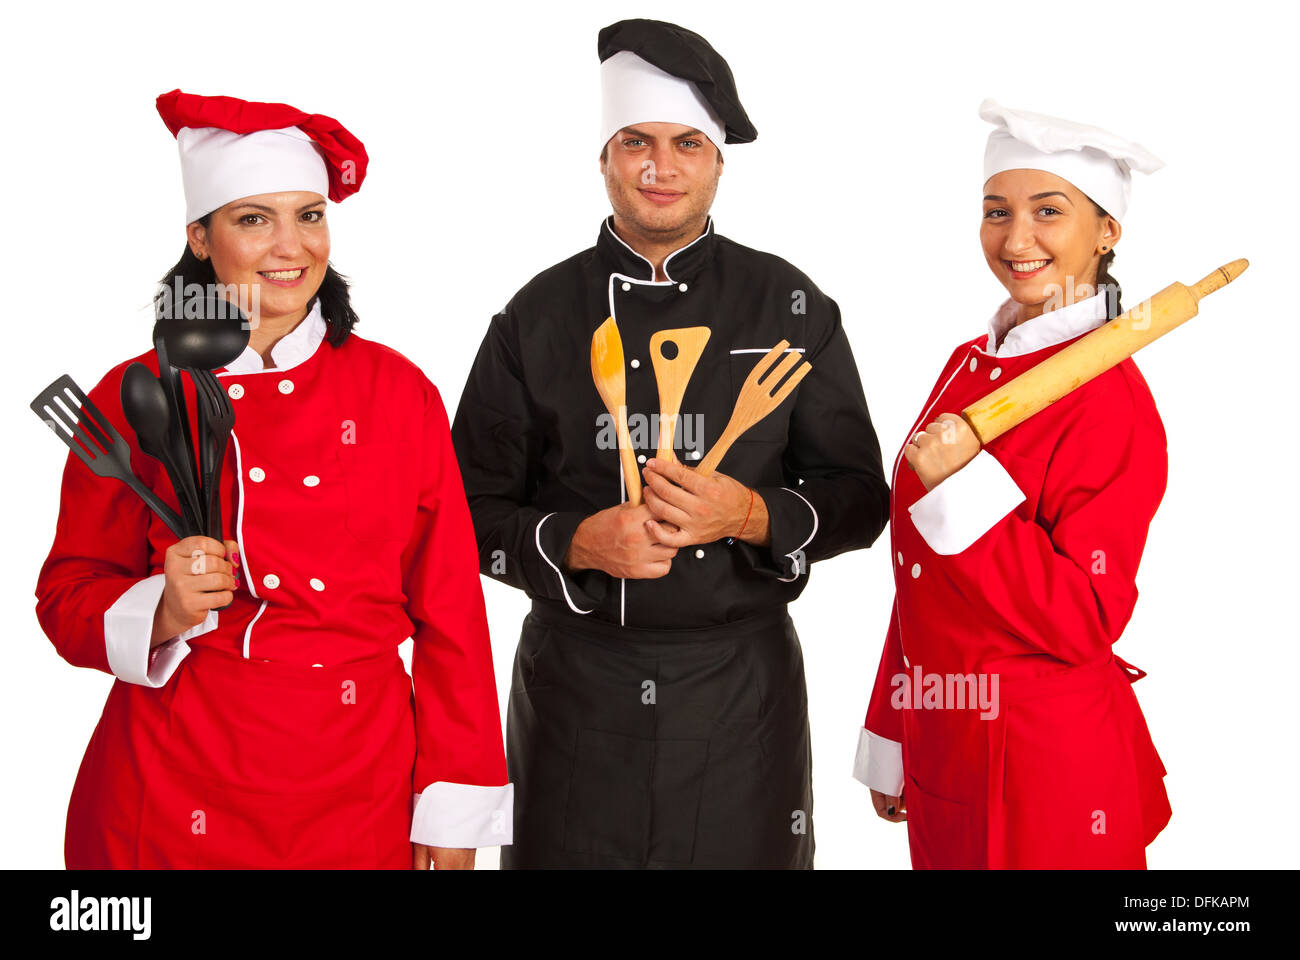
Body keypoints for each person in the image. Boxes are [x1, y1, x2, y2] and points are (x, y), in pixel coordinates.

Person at [35, 90, 511, 869]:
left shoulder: (398, 393)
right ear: (199, 236)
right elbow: (66, 597)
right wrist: (160, 605)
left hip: (360, 783)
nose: (291, 246)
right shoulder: (138, 396)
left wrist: (455, 809)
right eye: (254, 218)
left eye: (311, 215)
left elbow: (452, 611)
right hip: (174, 780)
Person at [452, 19, 890, 868]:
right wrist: (575, 541)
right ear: (605, 157)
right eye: (637, 143)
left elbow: (861, 498)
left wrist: (756, 515)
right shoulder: (536, 318)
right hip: (575, 697)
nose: (661, 167)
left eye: (687, 143)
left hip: (739, 697)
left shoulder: (790, 308)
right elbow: (467, 511)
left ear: (719, 159)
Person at [854, 99, 1172, 868]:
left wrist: (966, 488)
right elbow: (924, 577)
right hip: (949, 740)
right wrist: (897, 726)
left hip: (1044, 768)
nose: (1016, 237)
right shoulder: (972, 364)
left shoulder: (1110, 400)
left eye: (1048, 211)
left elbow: (1087, 617)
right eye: (997, 210)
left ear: (1107, 232)